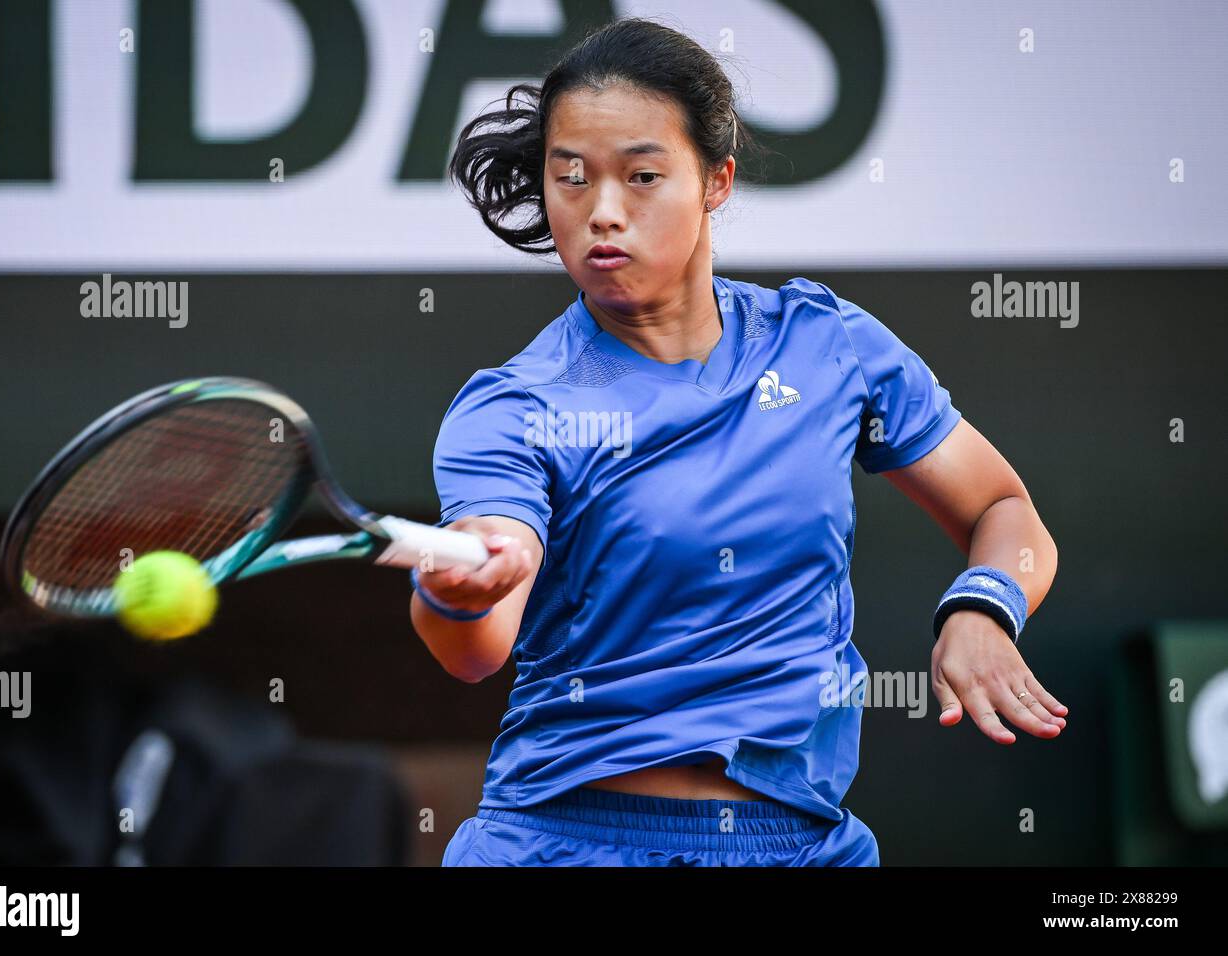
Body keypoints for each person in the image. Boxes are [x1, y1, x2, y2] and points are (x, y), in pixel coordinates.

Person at [411, 17, 1066, 866]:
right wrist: (460, 595)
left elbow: (1004, 509)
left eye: (643, 176)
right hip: (564, 842)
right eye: (569, 177)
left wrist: (984, 607)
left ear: (716, 180)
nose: (602, 212)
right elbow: (475, 650)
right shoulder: (513, 405)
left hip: (801, 843)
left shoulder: (829, 346)